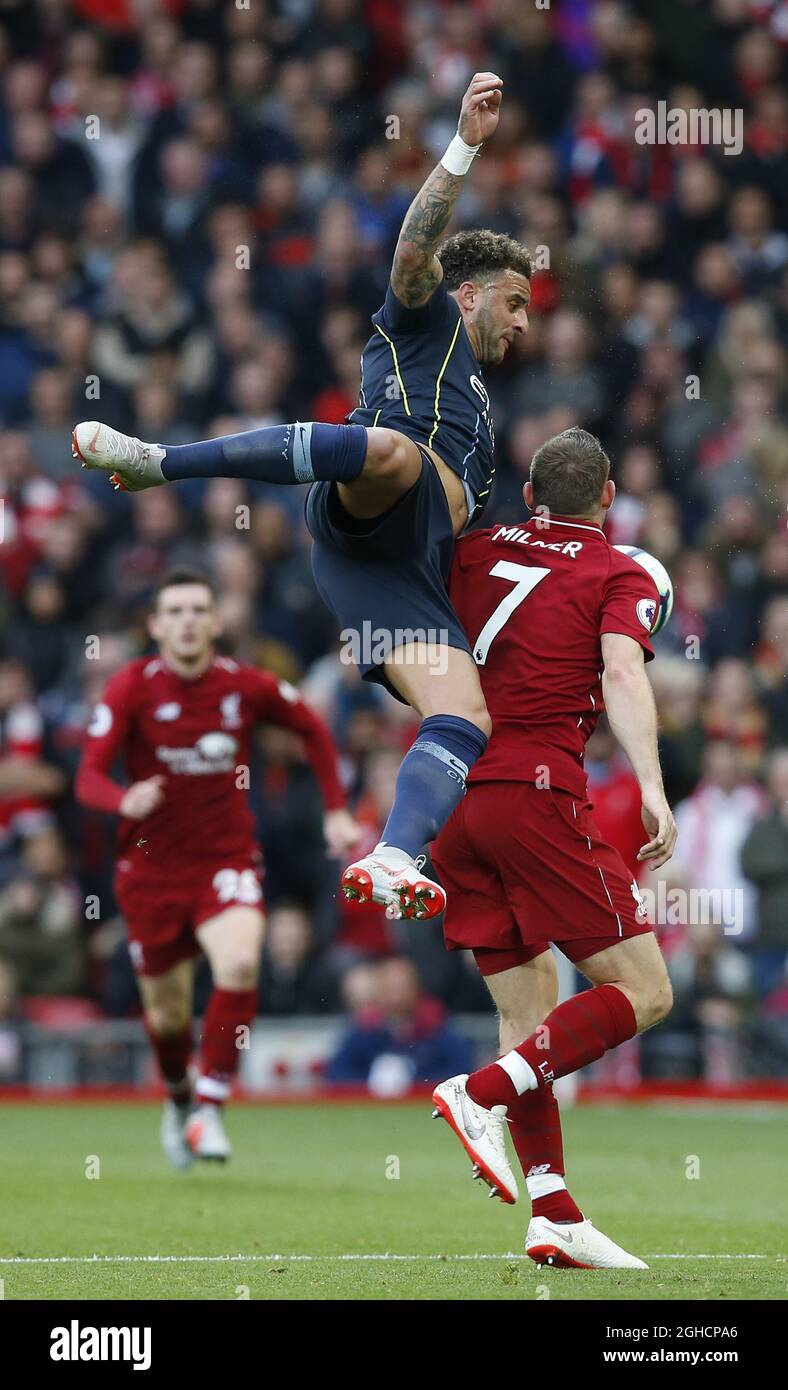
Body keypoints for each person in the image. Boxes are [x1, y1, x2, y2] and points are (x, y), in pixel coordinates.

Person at [71, 72, 532, 922]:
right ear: (469, 294)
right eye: (515, 300)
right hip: (368, 494)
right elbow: (409, 251)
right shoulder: (425, 323)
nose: (524, 322)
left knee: (465, 710)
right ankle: (158, 463)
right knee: (396, 454)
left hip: (387, 575)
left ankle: (394, 853)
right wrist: (465, 145)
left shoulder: (488, 425)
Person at [428, 427, 678, 1270]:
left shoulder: (475, 546)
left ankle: (554, 1212)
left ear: (529, 497)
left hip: (452, 791)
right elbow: (623, 671)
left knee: (527, 1017)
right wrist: (649, 781)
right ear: (608, 499)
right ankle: (479, 1091)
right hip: (533, 790)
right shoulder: (621, 567)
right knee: (645, 992)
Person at [76, 568, 358, 1168]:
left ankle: (209, 1103)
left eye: (197, 610)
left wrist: (336, 810)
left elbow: (310, 726)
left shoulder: (243, 685)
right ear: (155, 625)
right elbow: (88, 776)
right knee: (168, 1015)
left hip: (225, 859)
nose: (186, 621)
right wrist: (122, 799)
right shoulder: (130, 689)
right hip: (150, 868)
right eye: (173, 611)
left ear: (214, 622)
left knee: (236, 962)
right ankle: (179, 1099)